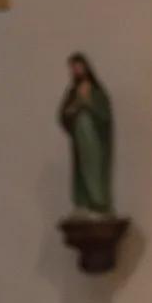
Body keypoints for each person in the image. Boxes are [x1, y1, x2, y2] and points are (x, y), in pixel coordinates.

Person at [57, 52, 115, 216]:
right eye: (73, 68)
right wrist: (75, 107)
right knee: (82, 169)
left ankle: (98, 202)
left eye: (79, 67)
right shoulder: (72, 92)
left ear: (86, 68)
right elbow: (63, 115)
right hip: (80, 141)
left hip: (94, 140)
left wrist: (88, 103)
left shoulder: (96, 91)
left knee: (94, 167)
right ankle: (85, 202)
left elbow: (104, 116)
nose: (76, 71)